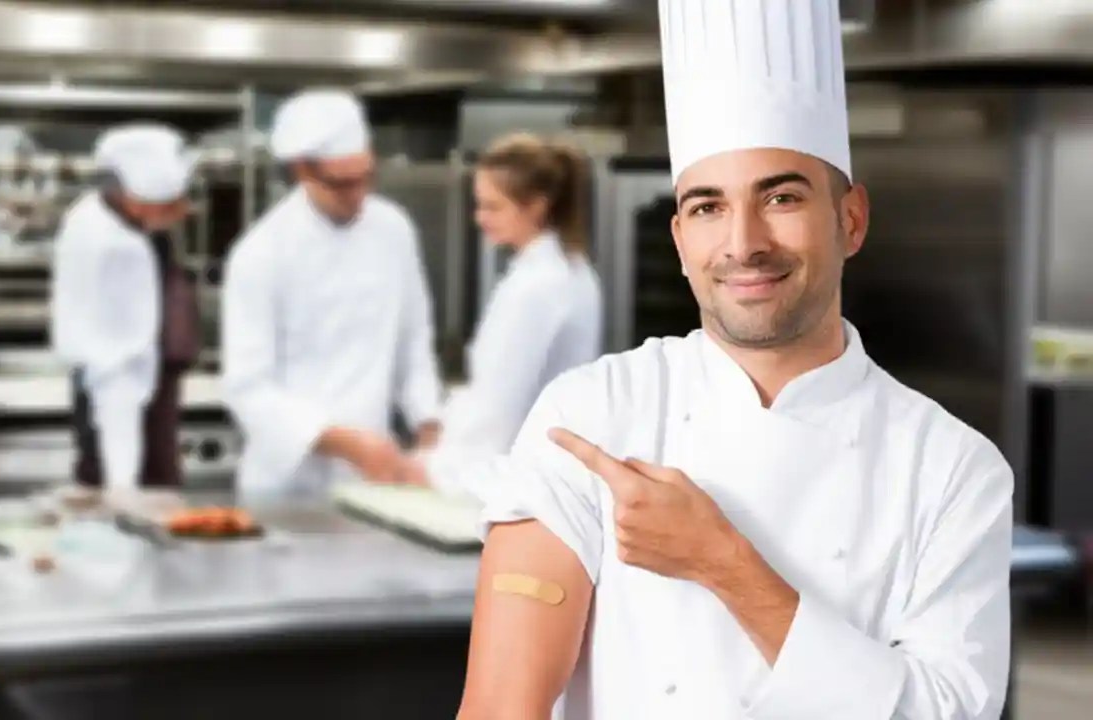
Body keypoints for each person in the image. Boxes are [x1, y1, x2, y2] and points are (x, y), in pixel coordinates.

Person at [458, 2, 1013, 718]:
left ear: (850, 220)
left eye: (780, 196)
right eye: (707, 207)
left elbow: (949, 712)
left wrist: (724, 563)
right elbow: (502, 708)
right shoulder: (592, 414)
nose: (743, 242)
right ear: (681, 237)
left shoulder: (952, 469)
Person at [222, 88, 442, 496]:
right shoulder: (261, 253)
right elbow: (248, 389)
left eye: (366, 178)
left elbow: (414, 343)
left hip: (372, 480)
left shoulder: (394, 230)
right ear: (302, 171)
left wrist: (429, 428)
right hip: (287, 486)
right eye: (341, 184)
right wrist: (349, 444)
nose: (358, 194)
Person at [416, 133, 602, 499]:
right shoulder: (564, 271)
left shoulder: (539, 287)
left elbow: (499, 406)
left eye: (492, 207)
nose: (479, 218)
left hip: (519, 479)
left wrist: (432, 469)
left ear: (535, 207)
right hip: (539, 476)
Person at [52, 124, 201, 491]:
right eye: (168, 205)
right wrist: (122, 482)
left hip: (139, 387)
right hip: (119, 405)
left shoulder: (99, 215)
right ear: (130, 199)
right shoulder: (114, 246)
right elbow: (115, 372)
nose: (182, 212)